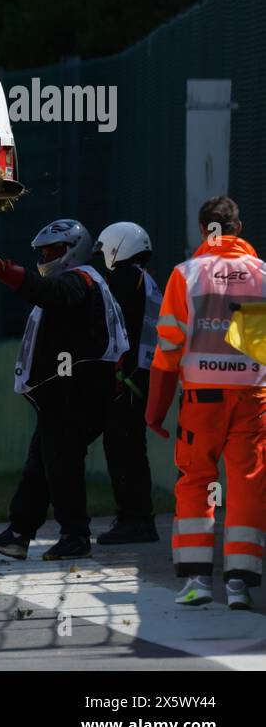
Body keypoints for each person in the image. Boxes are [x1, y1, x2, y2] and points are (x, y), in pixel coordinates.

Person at [0, 219, 129, 561]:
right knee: (42, 463)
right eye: (43, 250)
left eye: (54, 250)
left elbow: (53, 295)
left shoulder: (80, 280)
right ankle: (18, 533)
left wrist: (8, 272)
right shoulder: (85, 281)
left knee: (61, 464)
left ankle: (75, 535)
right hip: (67, 395)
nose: (46, 255)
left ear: (73, 250)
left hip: (77, 393)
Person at [146, 196, 266, 609]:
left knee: (197, 481)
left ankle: (198, 580)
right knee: (248, 484)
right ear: (238, 227)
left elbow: (167, 349)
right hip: (253, 398)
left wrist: (156, 410)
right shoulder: (262, 275)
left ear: (204, 230)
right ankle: (239, 585)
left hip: (202, 400)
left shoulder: (186, 275)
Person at [93, 221, 161, 544]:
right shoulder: (148, 281)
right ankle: (141, 519)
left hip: (125, 378)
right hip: (143, 376)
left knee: (120, 447)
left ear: (116, 247)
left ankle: (132, 520)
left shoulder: (122, 278)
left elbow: (106, 320)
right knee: (135, 447)